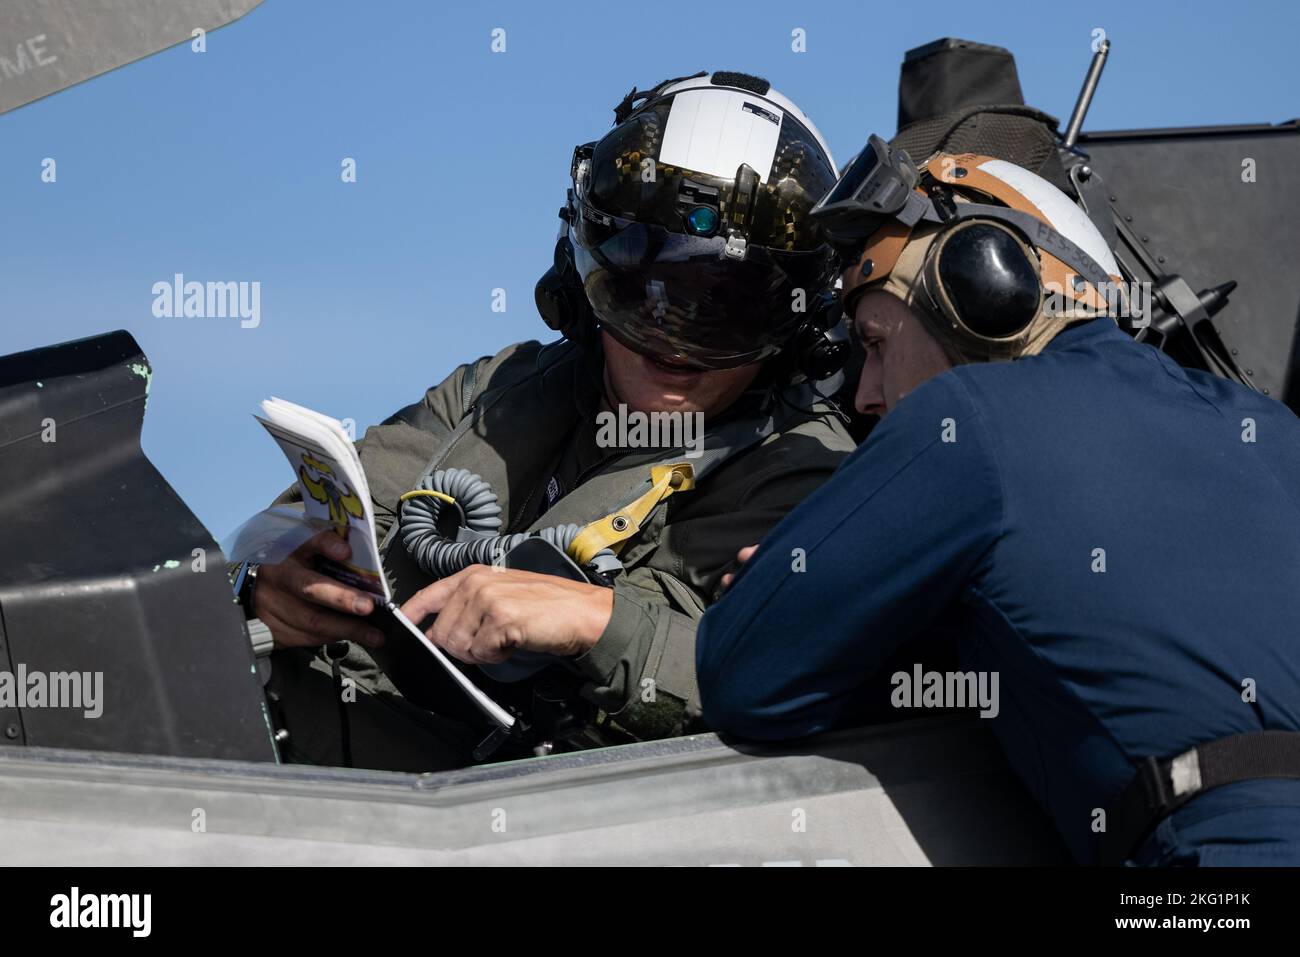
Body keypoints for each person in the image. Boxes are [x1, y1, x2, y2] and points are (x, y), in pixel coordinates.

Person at [696, 136, 1300, 866]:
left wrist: (825, 591)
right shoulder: (1269, 425)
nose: (866, 393)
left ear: (980, 292)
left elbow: (742, 674)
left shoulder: (969, 417)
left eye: (876, 343)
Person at [234, 71, 856, 770]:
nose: (675, 343)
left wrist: (595, 623)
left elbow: (783, 674)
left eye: (726, 310)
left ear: (802, 327)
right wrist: (266, 583)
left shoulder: (812, 481)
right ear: (585, 267)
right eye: (647, 290)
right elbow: (319, 513)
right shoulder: (497, 390)